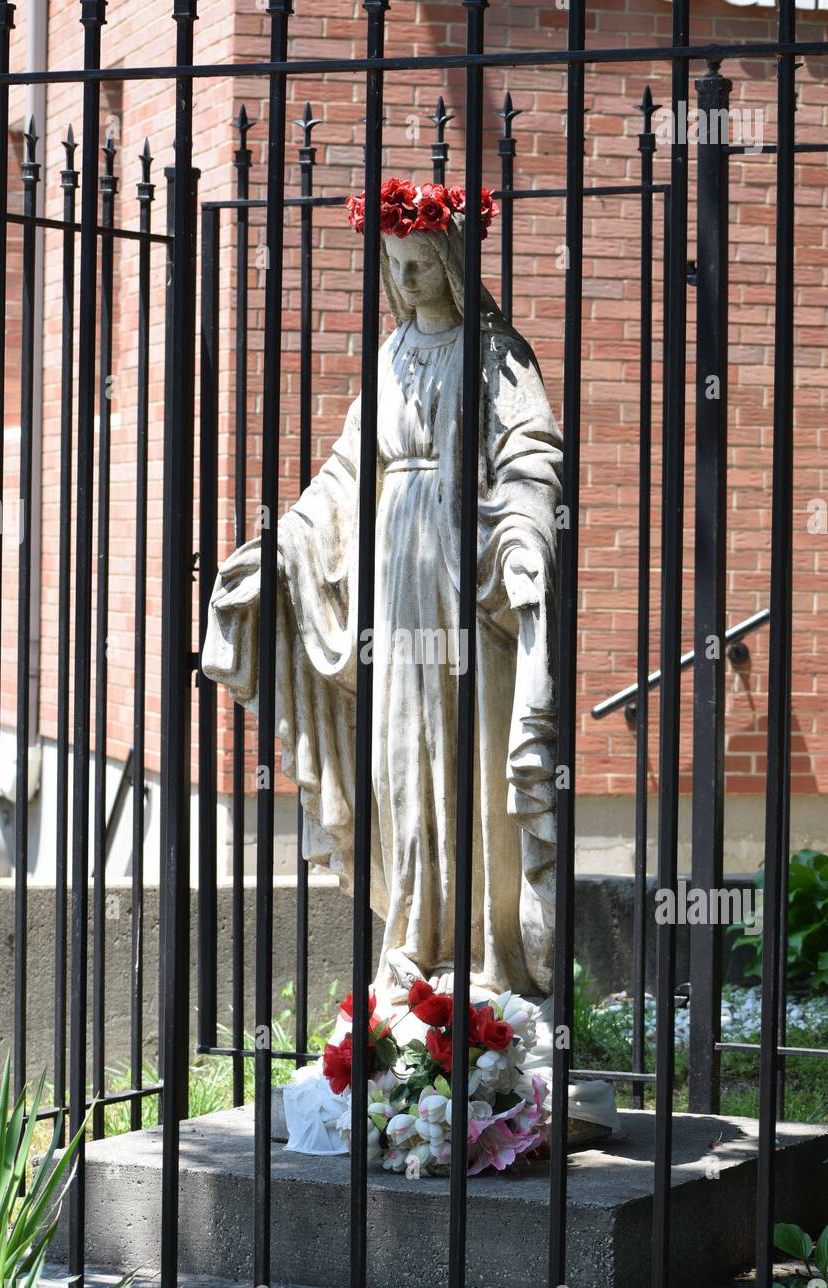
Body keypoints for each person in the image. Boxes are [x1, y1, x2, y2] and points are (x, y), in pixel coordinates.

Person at [203, 178, 564, 1000]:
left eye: (421, 268)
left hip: (464, 581)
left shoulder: (498, 355)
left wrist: (523, 535)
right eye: (394, 267)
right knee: (400, 761)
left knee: (467, 760)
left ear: (451, 262)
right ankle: (411, 944)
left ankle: (484, 954)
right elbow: (343, 473)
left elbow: (532, 452)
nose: (406, 285)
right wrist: (284, 543)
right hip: (395, 580)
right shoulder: (391, 357)